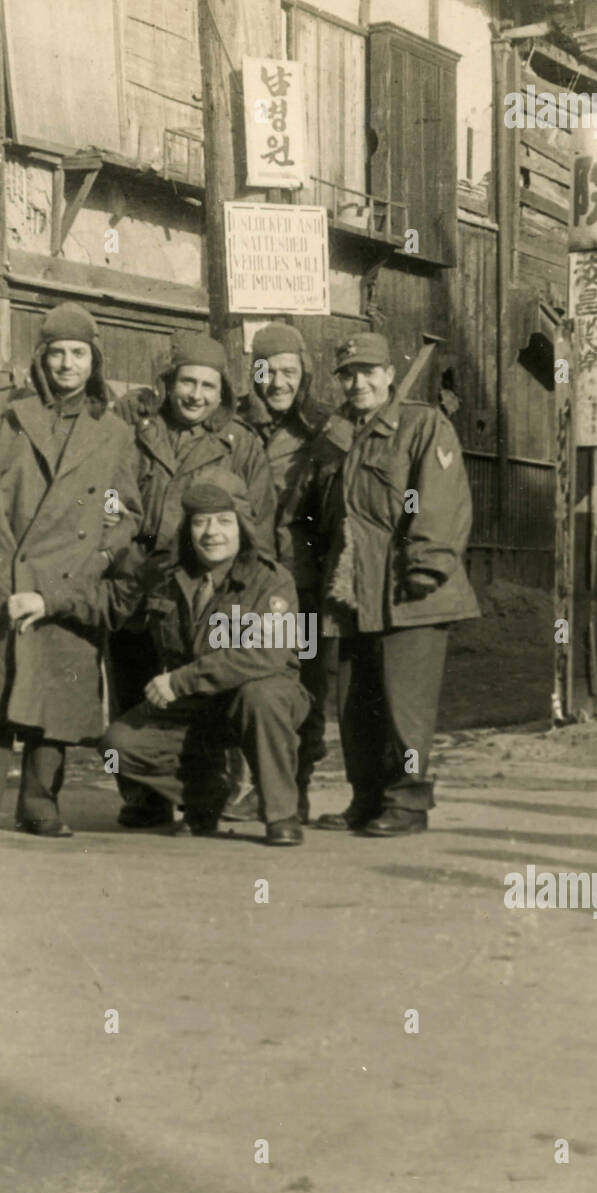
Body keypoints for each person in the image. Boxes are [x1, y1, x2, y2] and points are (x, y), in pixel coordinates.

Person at [0, 301, 141, 844]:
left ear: (94, 361)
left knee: (58, 692)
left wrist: (97, 559)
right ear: (40, 356)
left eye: (79, 353)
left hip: (67, 581)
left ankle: (40, 803)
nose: (67, 364)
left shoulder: (113, 432)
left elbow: (123, 511)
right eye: (57, 353)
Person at [8, 480, 309, 847]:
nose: (212, 533)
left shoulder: (272, 579)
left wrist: (181, 681)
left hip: (255, 698)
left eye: (223, 521)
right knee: (117, 745)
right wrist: (47, 601)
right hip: (196, 703)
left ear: (242, 526)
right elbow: (112, 599)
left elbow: (269, 653)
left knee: (262, 696)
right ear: (188, 528)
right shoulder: (167, 572)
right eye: (201, 523)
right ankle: (205, 798)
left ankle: (281, 814)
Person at [314, 332, 480, 837]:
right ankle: (367, 800)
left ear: (389, 374)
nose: (358, 381)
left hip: (408, 590)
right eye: (348, 374)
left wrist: (425, 564)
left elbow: (440, 497)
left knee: (404, 703)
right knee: (355, 702)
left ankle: (406, 805)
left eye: (368, 371)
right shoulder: (340, 435)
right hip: (352, 590)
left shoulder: (423, 425)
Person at [108, 332, 277, 829]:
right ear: (168, 382)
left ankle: (207, 790)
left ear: (222, 392)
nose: (196, 395)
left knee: (201, 692)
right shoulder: (134, 427)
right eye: (187, 382)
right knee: (131, 689)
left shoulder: (239, 444)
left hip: (204, 591)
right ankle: (145, 798)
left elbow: (259, 523)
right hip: (136, 581)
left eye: (209, 385)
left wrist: (245, 589)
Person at [229, 322, 337, 823]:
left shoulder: (324, 430)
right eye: (267, 370)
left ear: (304, 374)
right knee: (245, 672)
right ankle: (239, 783)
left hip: (304, 584)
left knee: (306, 682)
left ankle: (294, 787)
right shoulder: (230, 425)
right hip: (244, 576)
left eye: (289, 371)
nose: (277, 382)